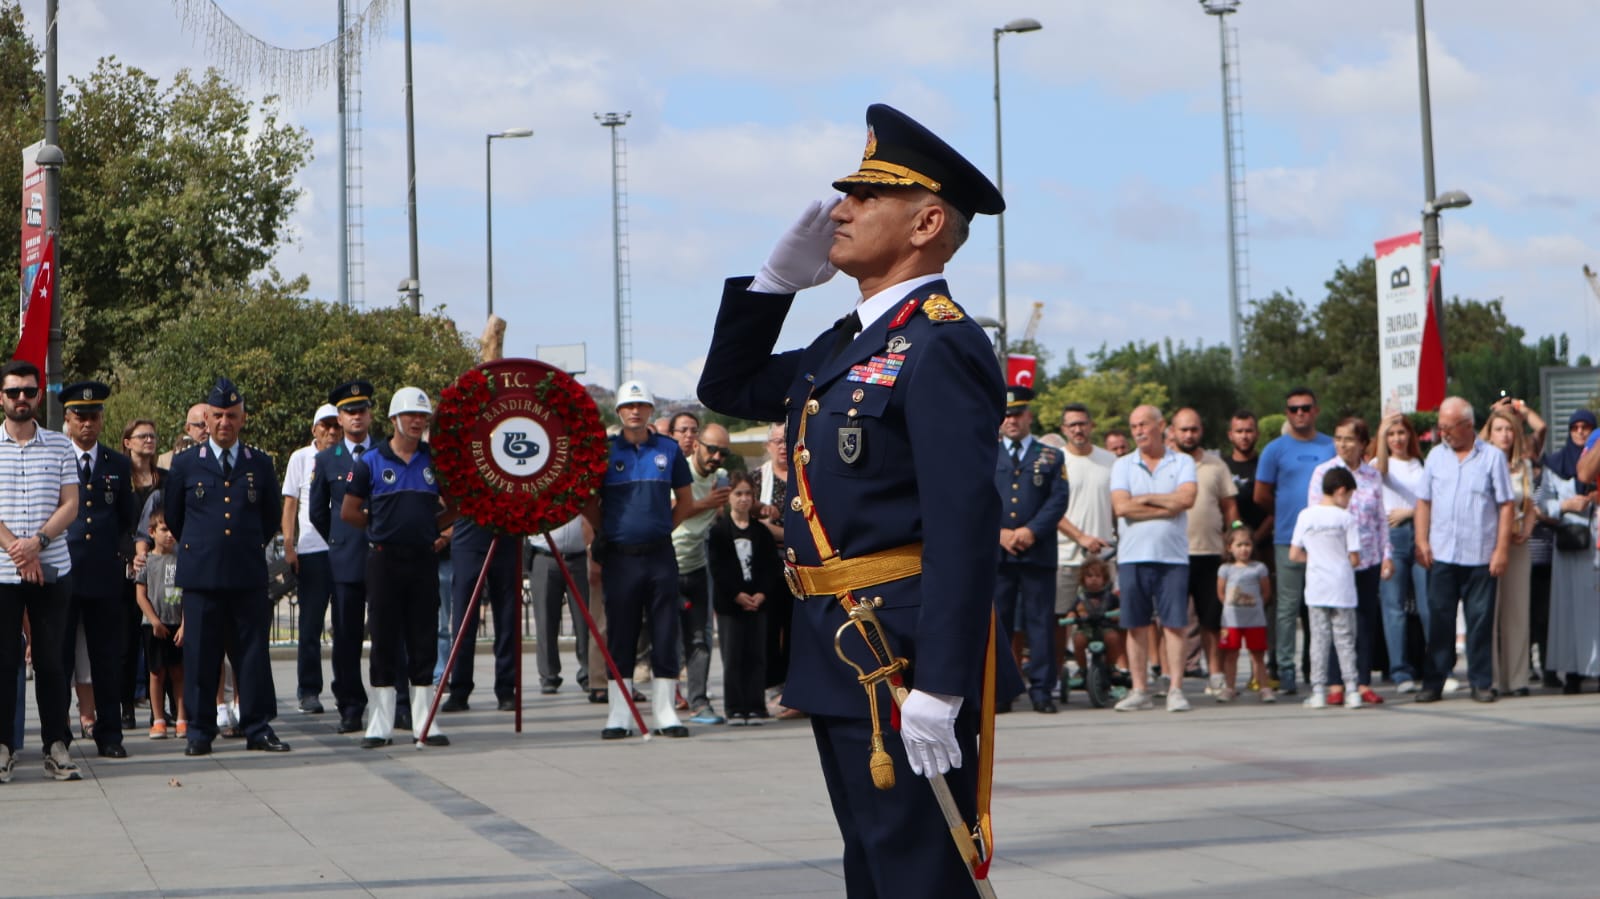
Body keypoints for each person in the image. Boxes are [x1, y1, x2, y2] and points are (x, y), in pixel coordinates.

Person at [697, 103, 1009, 898]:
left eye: (866, 197)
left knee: (917, 872)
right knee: (873, 867)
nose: (841, 209)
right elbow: (726, 387)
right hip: (841, 643)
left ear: (926, 221)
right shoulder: (846, 340)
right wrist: (772, 287)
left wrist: (941, 685)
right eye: (847, 195)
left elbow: (963, 528)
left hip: (899, 655)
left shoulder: (941, 343)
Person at [164, 377, 290, 755]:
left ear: (242, 418)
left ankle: (258, 726)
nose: (224, 423)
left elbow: (269, 518)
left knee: (251, 655)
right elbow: (174, 516)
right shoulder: (187, 465)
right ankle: (200, 731)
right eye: (217, 416)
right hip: (202, 577)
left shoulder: (260, 464)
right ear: (206, 419)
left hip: (246, 575)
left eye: (231, 416)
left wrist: (242, 545)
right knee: (201, 656)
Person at [341, 387, 455, 749]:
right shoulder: (371, 461)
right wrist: (379, 529)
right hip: (384, 559)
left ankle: (425, 720)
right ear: (394, 420)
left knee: (423, 637)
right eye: (411, 416)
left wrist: (433, 532)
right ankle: (380, 723)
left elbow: (456, 506)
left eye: (423, 417)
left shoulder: (434, 460)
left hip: (423, 558)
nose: (418, 422)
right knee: (384, 638)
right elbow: (349, 511)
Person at [588, 379, 695, 740]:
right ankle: (620, 713)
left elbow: (686, 501)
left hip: (659, 555)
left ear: (650, 411)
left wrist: (662, 527)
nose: (635, 411)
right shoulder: (604, 452)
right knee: (621, 632)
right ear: (618, 412)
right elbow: (589, 502)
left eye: (641, 406)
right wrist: (608, 533)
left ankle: (665, 711)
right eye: (628, 406)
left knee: (665, 631)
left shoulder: (668, 449)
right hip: (620, 558)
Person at [0, 360, 80, 782]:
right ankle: (4, 746)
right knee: (3, 660)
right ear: (1, 397)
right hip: (3, 571)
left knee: (51, 661)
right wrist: (18, 549)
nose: (21, 399)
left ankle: (56, 744)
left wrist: (38, 544)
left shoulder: (60, 446)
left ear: (38, 394)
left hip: (51, 567)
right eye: (13, 392)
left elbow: (70, 504)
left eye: (28, 391)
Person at [1414, 396, 1514, 704]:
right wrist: (1421, 540)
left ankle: (1481, 682)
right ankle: (1434, 682)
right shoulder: (1435, 457)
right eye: (1440, 426)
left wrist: (1501, 550)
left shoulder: (1492, 458)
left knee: (1480, 620)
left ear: (1468, 425)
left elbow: (1506, 505)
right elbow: (1423, 501)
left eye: (1448, 426)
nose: (1442, 432)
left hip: (1481, 555)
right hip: (1442, 553)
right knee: (1440, 620)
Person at [59, 381, 138, 759]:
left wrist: (123, 551)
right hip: (63, 573)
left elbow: (128, 519)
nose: (87, 424)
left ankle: (109, 734)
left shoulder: (118, 464)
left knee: (106, 659)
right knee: (58, 661)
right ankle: (58, 735)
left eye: (94, 417)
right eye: (80, 417)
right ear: (68, 420)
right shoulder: (56, 458)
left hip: (104, 578)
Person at [1110, 405, 1198, 712]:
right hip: (1133, 556)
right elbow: (1121, 507)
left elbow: (1186, 499)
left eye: (1143, 425)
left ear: (1161, 426)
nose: (1138, 431)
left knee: (1174, 624)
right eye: (1133, 426)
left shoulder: (1182, 461)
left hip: (1172, 557)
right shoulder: (1122, 464)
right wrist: (1165, 505)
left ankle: (1175, 688)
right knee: (1136, 624)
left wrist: (1144, 498)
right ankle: (1140, 689)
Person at [309, 379, 384, 735]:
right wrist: (339, 541)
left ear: (371, 414)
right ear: (338, 418)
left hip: (385, 554)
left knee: (388, 632)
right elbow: (318, 512)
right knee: (347, 636)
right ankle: (350, 705)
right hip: (346, 558)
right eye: (350, 411)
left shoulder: (385, 453)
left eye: (362, 410)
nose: (357, 417)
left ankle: (393, 704)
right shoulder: (327, 459)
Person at [1254, 387, 1336, 695]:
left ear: (1316, 410)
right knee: (1287, 606)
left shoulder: (1330, 446)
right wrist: (1287, 512)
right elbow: (1261, 494)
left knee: (1319, 605)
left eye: (1305, 408)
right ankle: (1285, 668)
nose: (1299, 413)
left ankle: (1315, 667)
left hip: (1326, 540)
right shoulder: (1275, 449)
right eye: (1293, 409)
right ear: (1287, 413)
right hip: (1288, 537)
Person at [1305, 417, 1391, 705]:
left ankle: (1362, 681)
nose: (1343, 444)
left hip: (1366, 558)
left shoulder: (1371, 475)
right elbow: (1314, 516)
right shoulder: (1323, 473)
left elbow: (1380, 517)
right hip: (1333, 562)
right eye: (1338, 438)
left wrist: (1386, 555)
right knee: (1332, 624)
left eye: (1349, 439)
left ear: (1363, 444)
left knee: (1364, 622)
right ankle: (1333, 683)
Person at [994, 386, 1069, 713]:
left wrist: (1030, 531)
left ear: (1029, 416)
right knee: (1000, 625)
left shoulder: (1050, 455)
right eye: (1007, 415)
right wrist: (998, 533)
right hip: (998, 553)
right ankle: (1000, 691)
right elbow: (976, 499)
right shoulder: (985, 452)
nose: (1012, 420)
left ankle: (1042, 691)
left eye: (1017, 414)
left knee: (1040, 625)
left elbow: (1058, 500)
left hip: (1036, 551)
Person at [1170, 408, 1237, 698]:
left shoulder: (1216, 465)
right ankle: (1171, 680)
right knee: (1173, 620)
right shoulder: (1165, 464)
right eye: (1183, 429)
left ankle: (1217, 676)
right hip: (1173, 554)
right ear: (1172, 431)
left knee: (1212, 619)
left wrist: (1233, 534)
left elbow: (1229, 506)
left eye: (1194, 429)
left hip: (1210, 553)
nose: (1189, 435)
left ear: (1201, 431)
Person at [280, 403, 341, 714]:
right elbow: (290, 503)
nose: (331, 432)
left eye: (336, 426)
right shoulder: (301, 458)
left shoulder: (348, 456)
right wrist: (289, 545)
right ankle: (309, 690)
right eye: (325, 426)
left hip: (343, 549)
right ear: (315, 429)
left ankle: (344, 688)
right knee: (310, 624)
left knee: (345, 624)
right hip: (311, 548)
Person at [707, 471, 781, 725]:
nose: (744, 499)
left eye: (748, 494)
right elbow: (718, 568)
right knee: (734, 656)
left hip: (757, 604)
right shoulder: (719, 532)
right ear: (729, 497)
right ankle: (735, 707)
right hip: (731, 605)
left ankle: (755, 705)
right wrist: (736, 594)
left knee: (757, 655)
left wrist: (761, 593)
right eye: (738, 494)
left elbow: (770, 567)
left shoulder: (761, 532)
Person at [672, 421, 734, 725]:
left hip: (697, 563)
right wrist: (704, 504)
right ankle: (667, 698)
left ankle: (698, 701)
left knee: (700, 637)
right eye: (712, 449)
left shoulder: (721, 478)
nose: (717, 458)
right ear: (696, 445)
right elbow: (668, 512)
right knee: (667, 636)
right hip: (667, 562)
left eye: (723, 453)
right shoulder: (678, 471)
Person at [1055, 403, 1118, 696]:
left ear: (1092, 426)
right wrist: (1080, 537)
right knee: (1061, 621)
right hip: (1066, 556)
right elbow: (1050, 508)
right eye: (1072, 425)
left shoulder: (1111, 461)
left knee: (1112, 620)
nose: (1078, 429)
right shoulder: (1057, 459)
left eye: (1082, 423)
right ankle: (1057, 676)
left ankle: (1113, 672)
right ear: (1063, 430)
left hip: (1105, 559)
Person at [1292, 467, 1364, 709]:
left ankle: (1318, 690)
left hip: (1316, 586)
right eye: (1350, 496)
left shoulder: (1306, 516)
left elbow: (1294, 553)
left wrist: (1313, 559)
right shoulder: (1346, 519)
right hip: (1341, 585)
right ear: (1341, 491)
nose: (1349, 502)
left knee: (1319, 640)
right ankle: (1352, 689)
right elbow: (1355, 557)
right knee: (1344, 639)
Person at [1537, 409, 1599, 693]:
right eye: (1575, 427)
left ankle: (1596, 670)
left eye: (1586, 427)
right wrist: (1565, 506)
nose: (1580, 432)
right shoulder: (1555, 463)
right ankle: (1572, 672)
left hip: (1595, 543)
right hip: (1568, 543)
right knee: (1568, 612)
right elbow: (1542, 505)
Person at [1481, 403, 1536, 697]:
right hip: (1488, 543)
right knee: (1488, 611)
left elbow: (1530, 503)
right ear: (1488, 434)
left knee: (1517, 611)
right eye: (1498, 430)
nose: (1504, 435)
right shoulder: (1481, 463)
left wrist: (1528, 527)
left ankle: (1517, 679)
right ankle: (1488, 678)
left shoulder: (1523, 466)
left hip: (1517, 542)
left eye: (1508, 430)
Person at [442, 517, 520, 713]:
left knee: (507, 619)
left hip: (506, 534)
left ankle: (506, 688)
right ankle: (459, 689)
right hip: (468, 536)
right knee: (463, 620)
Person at [1375, 412, 1429, 693]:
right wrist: (1382, 427)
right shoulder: (1378, 463)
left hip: (1419, 533)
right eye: (1391, 434)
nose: (1397, 439)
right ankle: (1400, 671)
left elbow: (1430, 499)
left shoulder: (1419, 464)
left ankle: (1436, 668)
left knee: (1427, 604)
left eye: (1401, 433)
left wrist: (1411, 511)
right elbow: (1381, 471)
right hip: (1392, 538)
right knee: (1393, 606)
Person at [134, 507, 185, 739]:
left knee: (178, 672)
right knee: (156, 673)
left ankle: (182, 717)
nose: (169, 534)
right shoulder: (147, 562)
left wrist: (185, 624)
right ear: (152, 532)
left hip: (177, 624)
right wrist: (154, 620)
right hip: (153, 625)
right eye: (164, 529)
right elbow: (140, 595)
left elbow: (188, 594)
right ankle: (158, 719)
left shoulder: (182, 559)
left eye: (172, 529)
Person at [529, 514, 591, 697]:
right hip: (544, 554)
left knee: (585, 620)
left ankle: (588, 672)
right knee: (546, 620)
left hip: (579, 556)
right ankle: (549, 675)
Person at [1217, 526, 1272, 702]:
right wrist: (1230, 607)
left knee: (1257, 655)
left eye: (1247, 544)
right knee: (1231, 655)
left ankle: (1264, 687)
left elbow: (1266, 592)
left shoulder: (1259, 568)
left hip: (1255, 620)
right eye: (1239, 545)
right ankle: (1230, 687)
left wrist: (1255, 607)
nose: (1243, 549)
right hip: (1231, 621)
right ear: (1229, 547)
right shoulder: (1225, 569)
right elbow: (1221, 592)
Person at [1069, 556, 1124, 681]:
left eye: (1098, 576)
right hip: (1086, 629)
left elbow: (1120, 610)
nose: (1093, 579)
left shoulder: (1110, 597)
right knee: (1078, 639)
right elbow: (1072, 611)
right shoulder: (1081, 597)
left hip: (1105, 627)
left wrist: (1117, 614)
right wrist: (1071, 616)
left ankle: (1111, 666)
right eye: (1089, 576)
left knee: (1113, 638)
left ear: (1104, 579)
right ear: (1083, 579)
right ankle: (1082, 668)